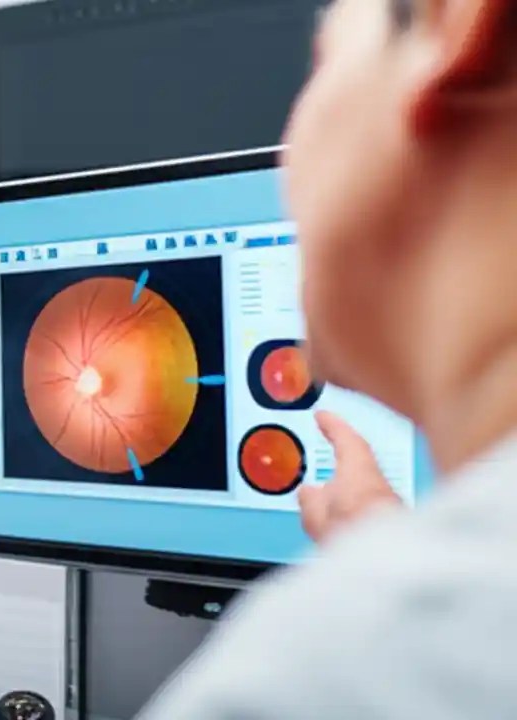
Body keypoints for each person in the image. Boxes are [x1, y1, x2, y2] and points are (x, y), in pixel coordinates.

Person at [137, 0, 517, 717]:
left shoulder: (323, 672)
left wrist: (388, 610)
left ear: (455, 31)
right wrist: (388, 555)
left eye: (319, 63)